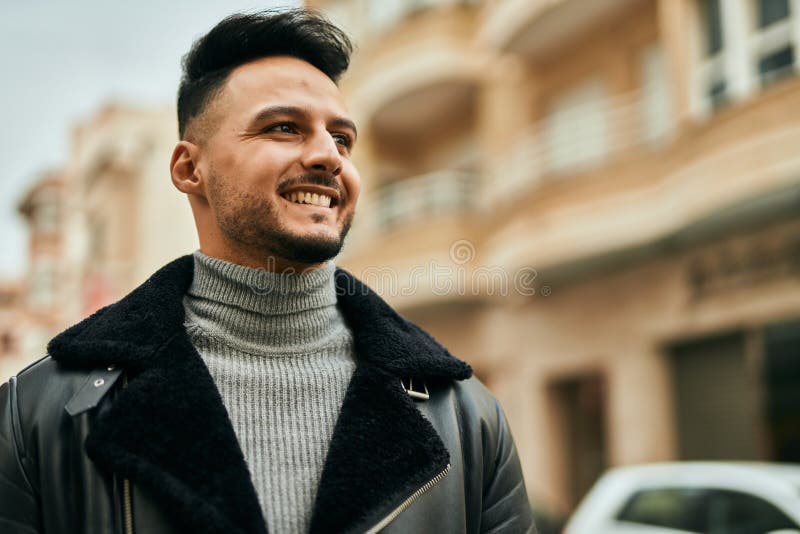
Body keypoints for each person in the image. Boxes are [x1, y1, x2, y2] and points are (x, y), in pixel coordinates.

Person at [0, 9, 535, 534]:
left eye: (343, 139)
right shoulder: (37, 415)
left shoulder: (467, 418)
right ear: (190, 169)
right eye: (284, 128)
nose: (330, 156)